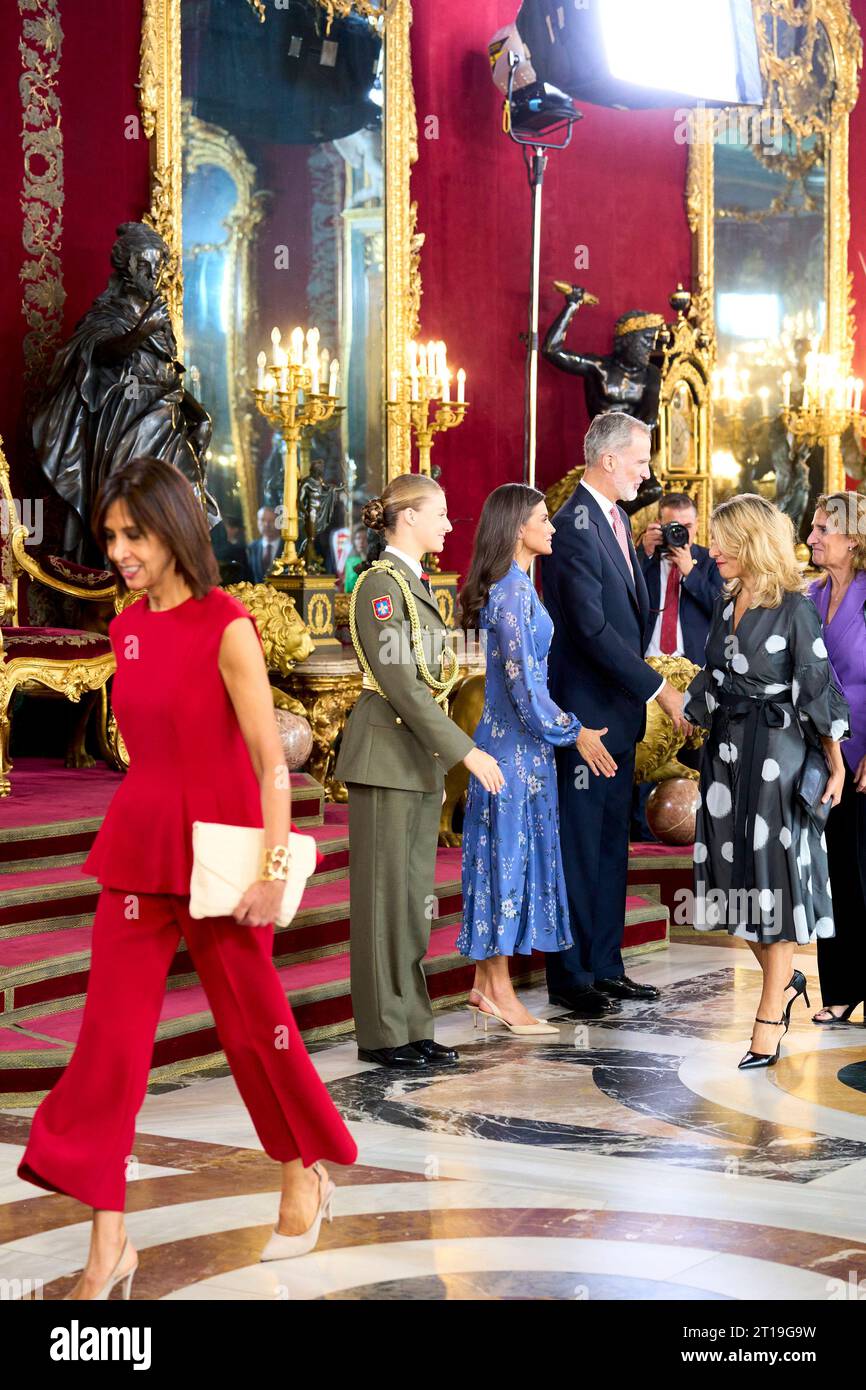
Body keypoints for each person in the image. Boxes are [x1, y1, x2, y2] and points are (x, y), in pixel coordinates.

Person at [17, 457, 358, 1298]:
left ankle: (302, 1166)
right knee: (109, 1050)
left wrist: (277, 871)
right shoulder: (126, 627)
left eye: (135, 534)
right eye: (111, 536)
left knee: (256, 1028)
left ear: (174, 529)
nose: (121, 551)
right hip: (139, 850)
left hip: (221, 859)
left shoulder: (228, 625)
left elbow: (270, 761)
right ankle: (109, 1242)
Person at [335, 474, 504, 1068]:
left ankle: (410, 1024)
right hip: (386, 755)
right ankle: (383, 1034)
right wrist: (466, 750)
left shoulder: (414, 584)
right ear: (407, 517)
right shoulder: (380, 587)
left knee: (409, 902)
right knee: (385, 902)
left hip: (413, 758)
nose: (449, 525)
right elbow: (402, 685)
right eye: (441, 514)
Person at [684, 493, 849, 1069]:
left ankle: (768, 1016)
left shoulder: (796, 608)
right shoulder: (728, 601)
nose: (714, 550)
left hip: (776, 758)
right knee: (735, 886)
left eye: (726, 541)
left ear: (753, 541)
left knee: (770, 884)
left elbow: (816, 684)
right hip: (725, 757)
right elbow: (712, 674)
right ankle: (786, 980)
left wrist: (834, 756)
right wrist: (679, 711)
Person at [541, 411, 690, 1016]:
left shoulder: (619, 521)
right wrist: (660, 689)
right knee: (579, 845)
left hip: (617, 713)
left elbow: (631, 614)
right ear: (607, 461)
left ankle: (606, 965)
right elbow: (591, 629)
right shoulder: (572, 524)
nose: (646, 471)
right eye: (640, 460)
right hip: (587, 719)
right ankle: (572, 976)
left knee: (610, 847)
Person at [457, 484, 617, 1032]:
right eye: (543, 519)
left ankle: (484, 986)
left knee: (513, 865)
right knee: (504, 869)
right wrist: (575, 732)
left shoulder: (522, 587)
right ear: (516, 528)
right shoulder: (509, 595)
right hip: (509, 755)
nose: (552, 527)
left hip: (525, 753)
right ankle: (501, 993)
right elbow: (525, 691)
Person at [806, 492, 866, 1025]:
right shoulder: (810, 594)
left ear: (855, 538)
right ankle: (842, 988)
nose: (813, 537)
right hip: (824, 759)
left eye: (824, 528)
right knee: (835, 875)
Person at [638, 491, 723, 665]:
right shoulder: (645, 556)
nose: (681, 532)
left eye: (688, 526)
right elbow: (621, 593)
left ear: (698, 525)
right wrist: (643, 553)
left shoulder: (711, 560)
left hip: (692, 663)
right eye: (674, 526)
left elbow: (721, 609)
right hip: (646, 660)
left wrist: (691, 573)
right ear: (659, 524)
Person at [247, 504, 281, 581]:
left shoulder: (289, 547)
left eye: (271, 521)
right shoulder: (251, 548)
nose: (266, 525)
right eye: (262, 520)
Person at [343, 522, 369, 593]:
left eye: (364, 538)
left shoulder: (374, 560)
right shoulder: (350, 561)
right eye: (358, 538)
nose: (361, 541)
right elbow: (348, 586)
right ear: (354, 541)